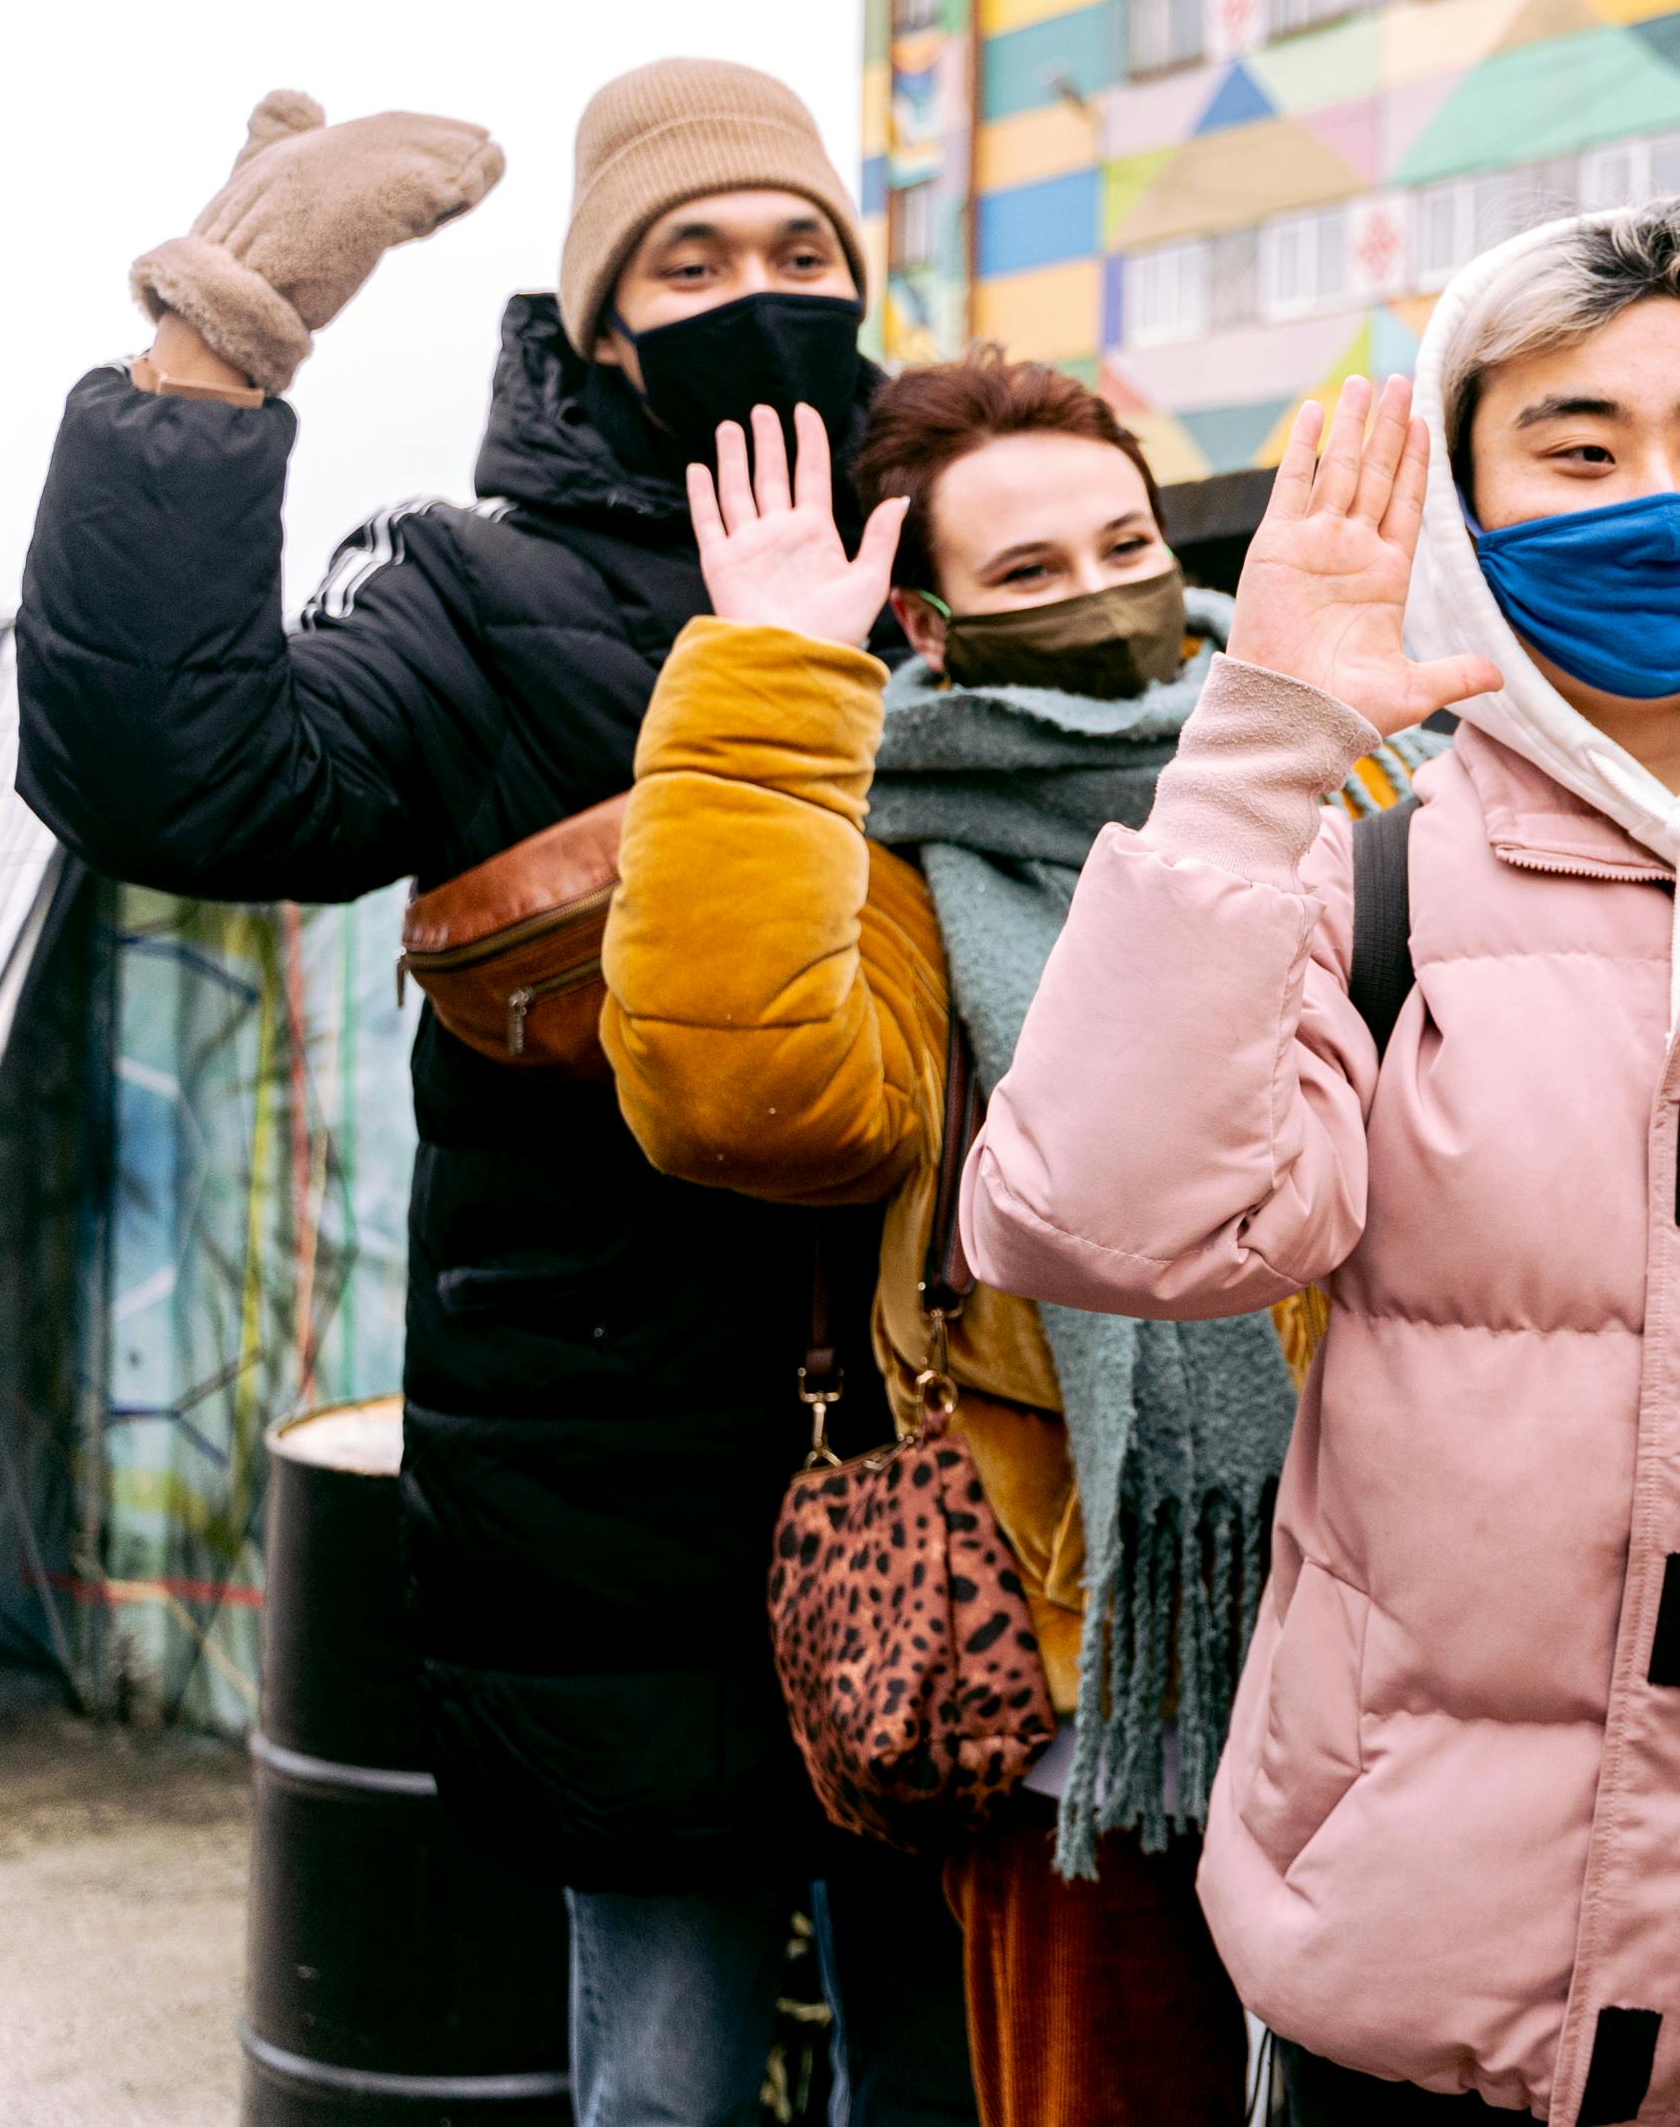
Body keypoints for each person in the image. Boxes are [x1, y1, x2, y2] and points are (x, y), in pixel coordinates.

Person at [958, 203, 1680, 2127]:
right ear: (1468, 499)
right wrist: (1261, 743)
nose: (1659, 501)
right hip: (1421, 1986)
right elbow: (1096, 1218)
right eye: (1578, 450)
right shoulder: (1373, 874)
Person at [15, 68, 975, 2127]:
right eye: (687, 261)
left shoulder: (949, 559)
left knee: (952, 2066)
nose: (754, 294)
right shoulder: (474, 587)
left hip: (955, 1456)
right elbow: (174, 773)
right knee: (662, 2075)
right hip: (611, 1495)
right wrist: (218, 342)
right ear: (602, 323)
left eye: (799, 253)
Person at [598, 354, 1332, 2125]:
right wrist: (776, 682)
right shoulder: (895, 875)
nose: (1099, 595)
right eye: (1026, 573)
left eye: (1126, 540)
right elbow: (736, 1090)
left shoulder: (1343, 764)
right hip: (1097, 1685)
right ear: (927, 627)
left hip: (1392, 1642)